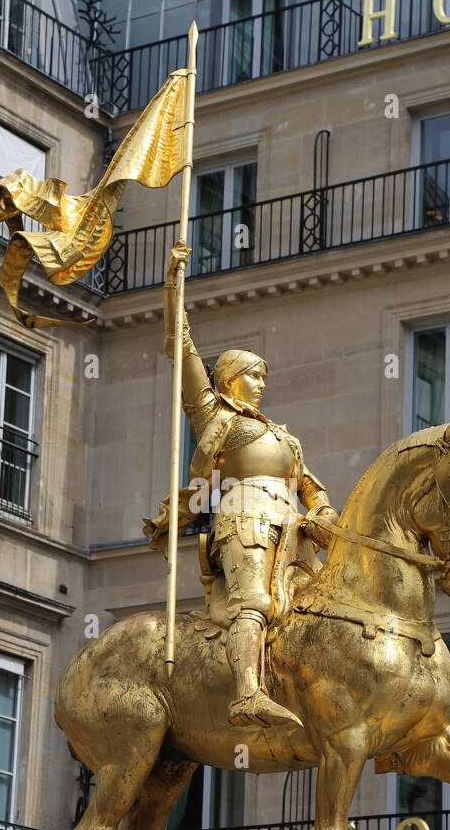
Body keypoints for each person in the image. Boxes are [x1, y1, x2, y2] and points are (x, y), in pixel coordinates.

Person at [145, 241, 339, 729]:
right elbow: (181, 345)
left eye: (264, 377)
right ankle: (247, 695)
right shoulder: (216, 415)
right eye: (253, 375)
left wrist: (323, 517)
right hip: (243, 521)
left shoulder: (283, 435)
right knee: (252, 601)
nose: (261, 384)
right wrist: (173, 283)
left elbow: (312, 489)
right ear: (228, 379)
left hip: (293, 530)